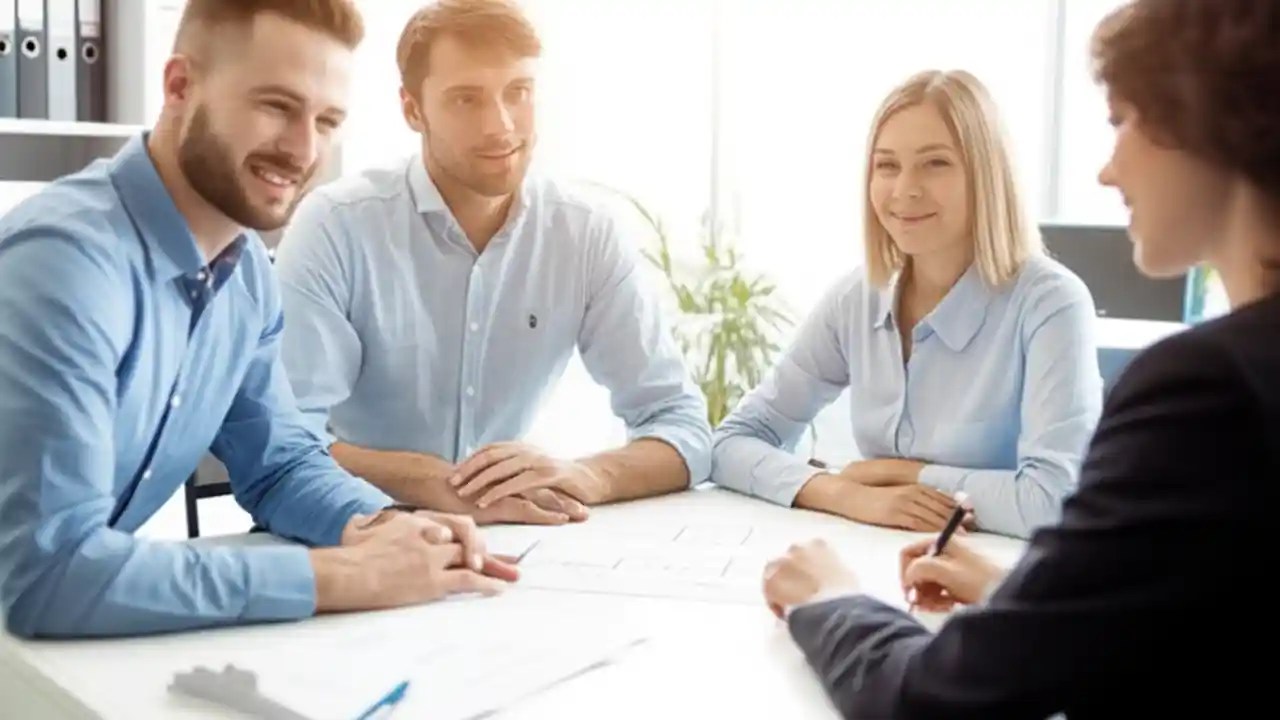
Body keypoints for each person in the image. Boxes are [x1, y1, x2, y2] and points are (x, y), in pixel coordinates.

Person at [762, 0, 1277, 715]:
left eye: (1123, 121)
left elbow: (932, 699)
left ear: (1214, 127)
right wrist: (1024, 597)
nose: (1105, 169)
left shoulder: (1209, 387)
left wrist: (830, 597)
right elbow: (1180, 633)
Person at [0, 0, 516, 640]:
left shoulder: (244, 274)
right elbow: (48, 573)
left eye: (327, 121)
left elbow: (278, 463)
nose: (305, 150)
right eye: (276, 106)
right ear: (180, 86)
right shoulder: (67, 263)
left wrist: (378, 525)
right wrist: (345, 577)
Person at [272, 0, 711, 524]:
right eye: (466, 99)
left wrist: (586, 475)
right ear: (413, 110)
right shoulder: (336, 225)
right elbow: (283, 441)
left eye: (518, 93)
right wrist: (430, 482)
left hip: (509, 537)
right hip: (356, 524)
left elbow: (683, 428)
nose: (501, 125)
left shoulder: (584, 230)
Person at [711, 70, 1102, 540]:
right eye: (887, 166)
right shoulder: (857, 298)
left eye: (935, 163)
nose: (905, 189)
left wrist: (910, 475)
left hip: (1000, 579)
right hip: (879, 559)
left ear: (986, 175)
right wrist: (848, 494)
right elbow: (732, 441)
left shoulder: (1051, 303)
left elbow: (1055, 501)